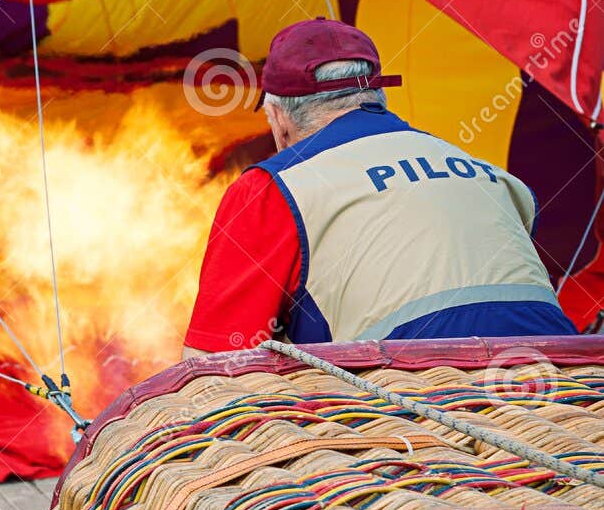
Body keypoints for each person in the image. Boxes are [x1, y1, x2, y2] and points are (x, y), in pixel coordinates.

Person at [184, 18, 576, 355]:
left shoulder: (271, 188)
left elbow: (212, 368)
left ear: (277, 116)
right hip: (566, 381)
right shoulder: (492, 175)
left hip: (412, 399)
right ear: (379, 97)